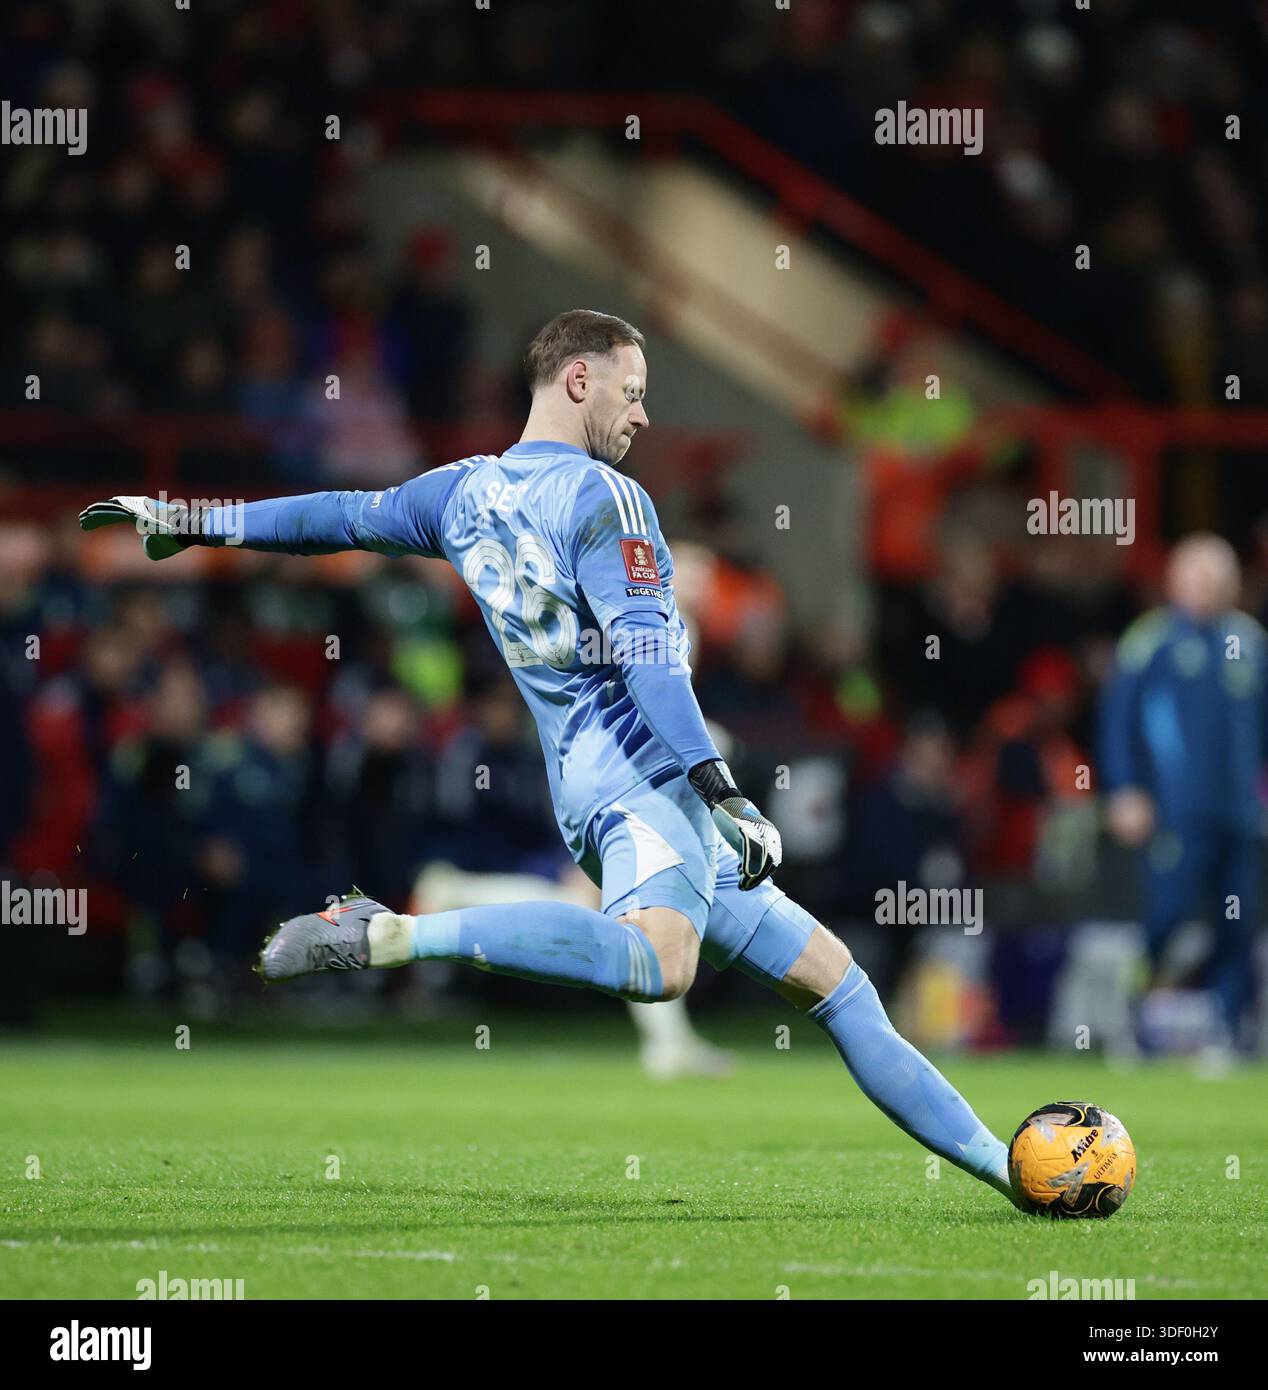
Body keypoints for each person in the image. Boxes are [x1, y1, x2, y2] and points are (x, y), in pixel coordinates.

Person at [81, 309, 1020, 1207]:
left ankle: (1008, 1169)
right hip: (641, 774)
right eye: (633, 390)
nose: (643, 414)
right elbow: (651, 660)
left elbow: (337, 514)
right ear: (581, 379)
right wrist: (721, 787)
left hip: (588, 779)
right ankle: (392, 933)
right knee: (663, 967)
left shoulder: (461, 492)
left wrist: (196, 518)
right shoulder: (607, 497)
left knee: (838, 982)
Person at [1101, 533, 1266, 1058]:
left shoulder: (1250, 642)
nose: (1207, 587)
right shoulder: (1150, 641)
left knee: (1238, 924)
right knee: (1164, 919)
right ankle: (1127, 1020)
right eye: (1196, 575)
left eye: (1217, 577)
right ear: (1174, 581)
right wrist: (1126, 789)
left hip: (1240, 814)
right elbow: (1117, 723)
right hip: (1176, 813)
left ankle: (1227, 1031)